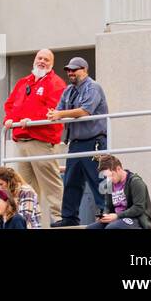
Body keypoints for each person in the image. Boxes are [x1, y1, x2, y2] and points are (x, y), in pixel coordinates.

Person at [2, 48, 65, 216]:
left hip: (41, 140)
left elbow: (54, 108)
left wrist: (30, 120)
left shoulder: (55, 83)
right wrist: (9, 119)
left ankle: (58, 218)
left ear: (52, 64)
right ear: (34, 60)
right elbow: (10, 104)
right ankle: (27, 218)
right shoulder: (24, 82)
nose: (42, 61)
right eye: (39, 58)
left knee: (50, 182)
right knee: (25, 184)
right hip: (21, 141)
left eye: (46, 59)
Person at [49, 56, 109, 227]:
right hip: (75, 143)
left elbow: (85, 111)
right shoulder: (68, 90)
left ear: (85, 69)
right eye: (68, 70)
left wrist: (59, 115)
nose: (70, 73)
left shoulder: (93, 87)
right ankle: (69, 218)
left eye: (74, 69)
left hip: (94, 142)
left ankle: (104, 215)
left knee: (98, 179)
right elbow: (58, 110)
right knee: (71, 181)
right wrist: (55, 114)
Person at [86, 155, 151, 230]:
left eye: (111, 175)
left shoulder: (135, 182)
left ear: (118, 169)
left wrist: (117, 216)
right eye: (106, 177)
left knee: (113, 227)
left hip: (136, 219)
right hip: (117, 219)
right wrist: (105, 215)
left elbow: (139, 208)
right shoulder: (109, 184)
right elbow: (108, 206)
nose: (109, 179)